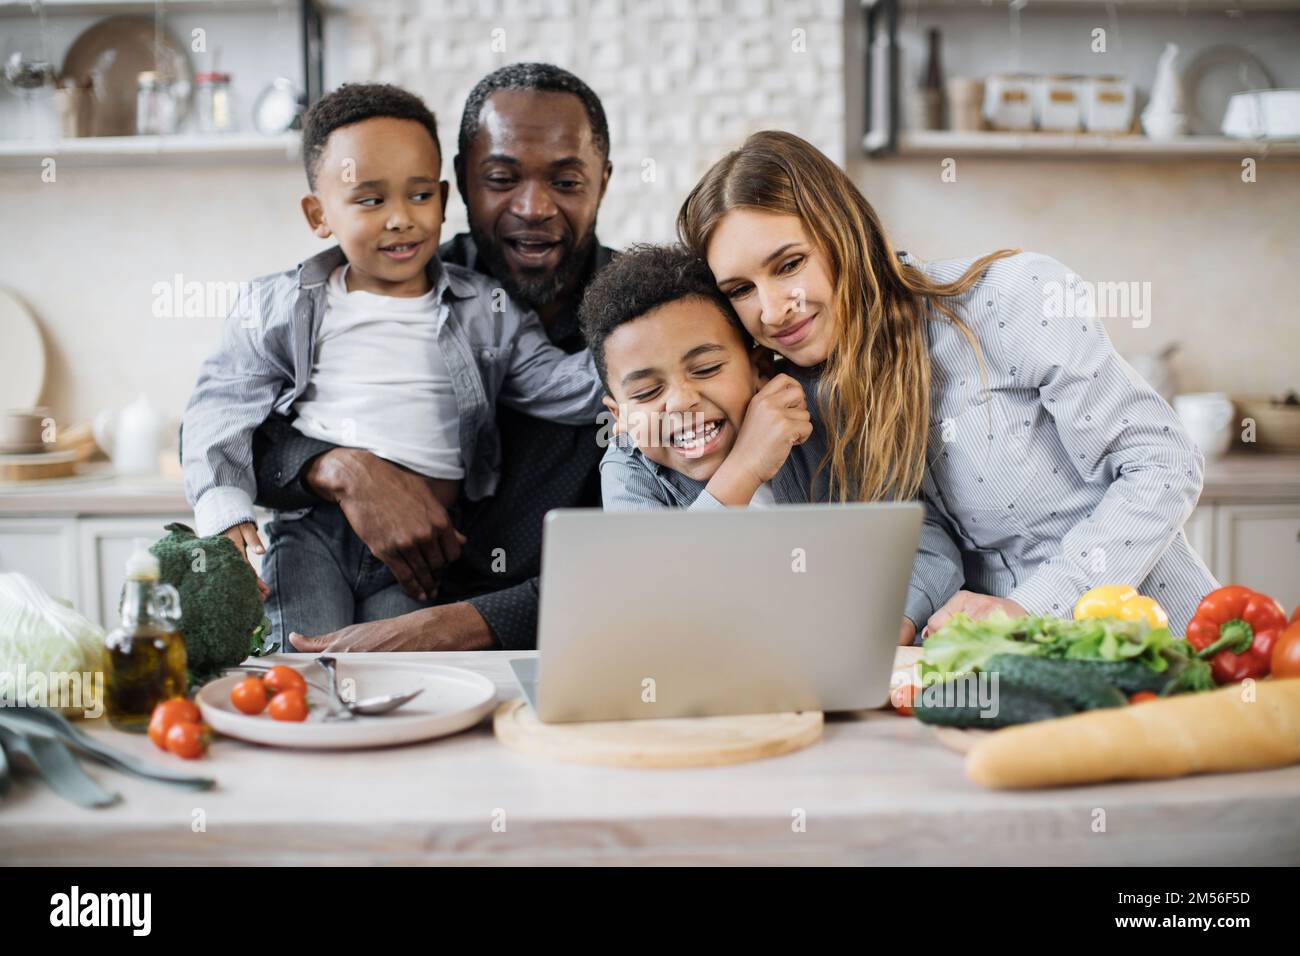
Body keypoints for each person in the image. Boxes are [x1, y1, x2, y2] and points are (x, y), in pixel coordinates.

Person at [678, 130, 1218, 639]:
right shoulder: (805, 404)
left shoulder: (1011, 300)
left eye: (790, 263)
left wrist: (1031, 608)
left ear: (842, 231)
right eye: (740, 289)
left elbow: (1163, 463)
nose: (774, 310)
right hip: (1003, 686)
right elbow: (922, 542)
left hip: (1164, 658)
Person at [180, 82, 602, 644]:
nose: (400, 219)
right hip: (312, 535)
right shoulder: (286, 303)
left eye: (419, 196)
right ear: (318, 214)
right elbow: (225, 404)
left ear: (442, 198)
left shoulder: (486, 309)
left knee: (398, 680)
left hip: (435, 570)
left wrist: (660, 370)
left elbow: (559, 383)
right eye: (371, 200)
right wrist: (235, 506)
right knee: (305, 667)